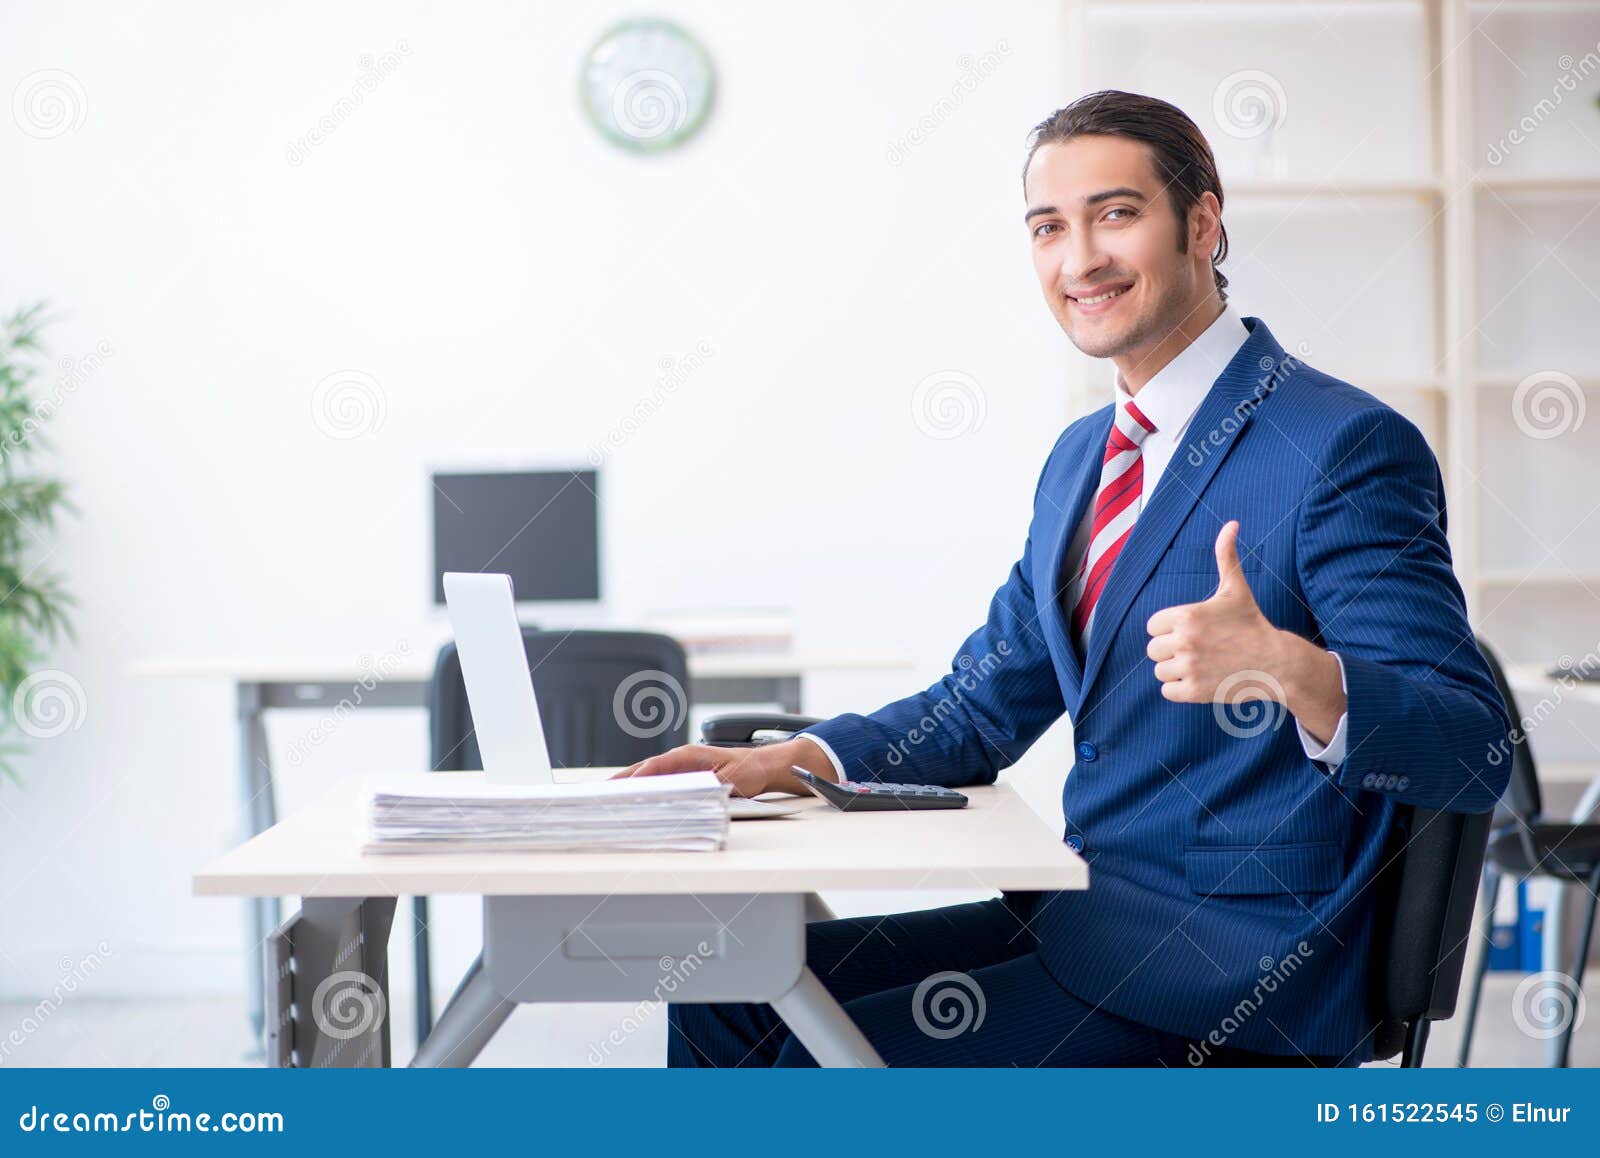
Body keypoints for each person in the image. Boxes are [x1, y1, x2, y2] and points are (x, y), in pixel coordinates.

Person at [618, 89, 1511, 1067]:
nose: (1078, 259)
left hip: (1232, 974)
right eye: (1049, 227)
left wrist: (1294, 671)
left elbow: (1468, 740)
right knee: (725, 989)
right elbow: (980, 704)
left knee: (814, 1063)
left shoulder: (1338, 445)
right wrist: (794, 761)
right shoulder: (1083, 459)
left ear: (1201, 224)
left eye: (1115, 215)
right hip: (1086, 922)